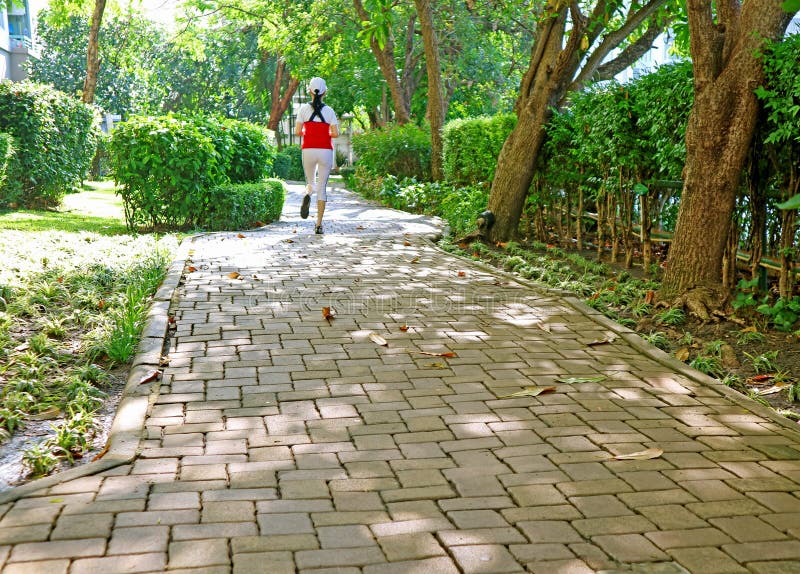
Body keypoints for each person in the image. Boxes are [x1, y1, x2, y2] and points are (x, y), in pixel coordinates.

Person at [295, 77, 340, 234]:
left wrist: (309, 131)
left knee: (311, 182)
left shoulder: (303, 110)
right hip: (325, 151)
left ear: (310, 91)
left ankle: (308, 193)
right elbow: (336, 133)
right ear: (325, 92)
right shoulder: (329, 111)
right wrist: (325, 132)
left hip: (308, 150)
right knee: (322, 188)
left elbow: (297, 132)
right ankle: (319, 225)